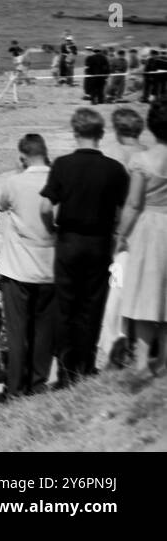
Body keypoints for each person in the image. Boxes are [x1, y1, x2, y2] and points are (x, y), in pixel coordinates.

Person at [41, 108, 130, 384]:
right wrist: (118, 234)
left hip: (69, 239)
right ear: (101, 134)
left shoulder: (62, 165)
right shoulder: (114, 169)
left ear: (75, 132)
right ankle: (87, 364)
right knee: (92, 305)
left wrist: (52, 230)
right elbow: (125, 209)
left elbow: (45, 206)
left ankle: (67, 369)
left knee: (66, 305)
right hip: (100, 241)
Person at [0, 133, 57, 396]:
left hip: (18, 267)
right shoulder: (57, 179)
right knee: (43, 330)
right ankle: (38, 381)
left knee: (17, 330)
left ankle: (15, 387)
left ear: (23, 156)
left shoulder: (15, 182)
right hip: (49, 266)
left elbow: (1, 205)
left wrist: (18, 171)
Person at [117, 100, 167, 372]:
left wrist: (121, 234)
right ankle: (164, 361)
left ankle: (141, 361)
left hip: (150, 225)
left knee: (146, 291)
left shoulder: (142, 160)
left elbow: (134, 203)